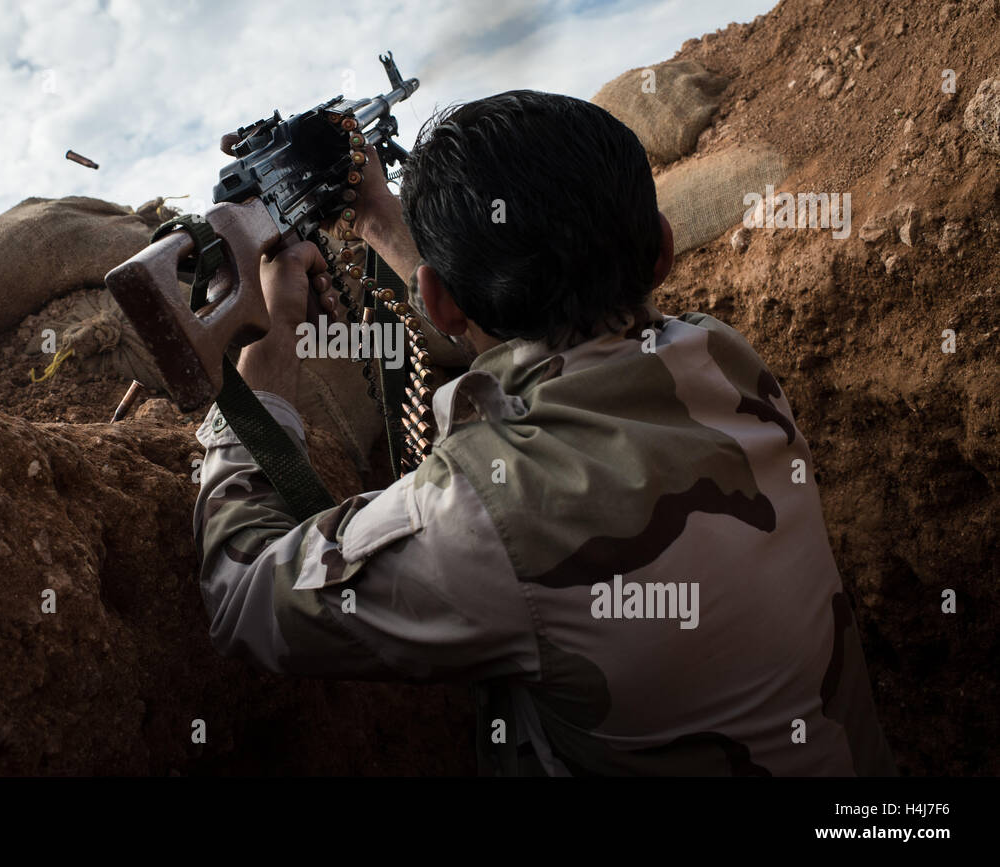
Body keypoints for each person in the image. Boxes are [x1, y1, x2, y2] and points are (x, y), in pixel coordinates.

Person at [194, 90, 897, 776]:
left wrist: (269, 332)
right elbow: (542, 346)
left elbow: (243, 595)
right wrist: (380, 218)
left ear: (437, 298)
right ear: (662, 249)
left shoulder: (486, 516)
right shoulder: (721, 355)